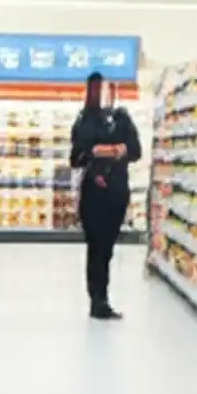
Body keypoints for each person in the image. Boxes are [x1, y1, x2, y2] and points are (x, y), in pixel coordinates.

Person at [70, 72, 142, 320]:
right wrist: (100, 152)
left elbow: (135, 150)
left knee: (107, 248)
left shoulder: (122, 118)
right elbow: (76, 157)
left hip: (116, 191)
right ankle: (97, 300)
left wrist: (107, 150)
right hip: (93, 192)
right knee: (96, 247)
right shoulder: (84, 119)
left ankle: (103, 298)